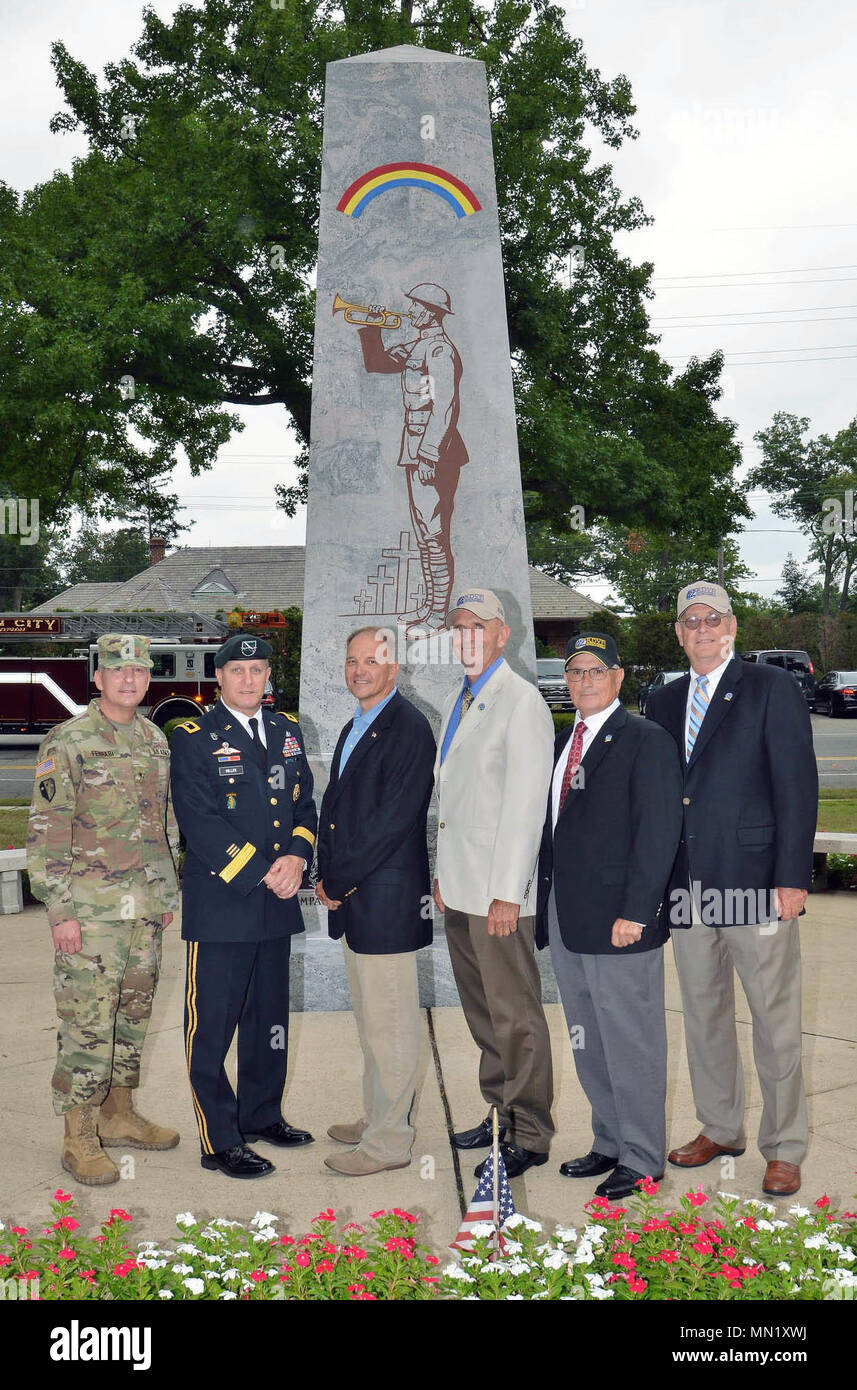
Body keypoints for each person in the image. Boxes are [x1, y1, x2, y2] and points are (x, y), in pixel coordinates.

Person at [647, 581, 818, 1197]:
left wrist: (792, 877)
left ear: (733, 625)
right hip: (689, 890)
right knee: (704, 1015)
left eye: (712, 618)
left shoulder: (771, 688)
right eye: (690, 620)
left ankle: (784, 1146)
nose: (702, 628)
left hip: (757, 887)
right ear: (678, 632)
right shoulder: (663, 702)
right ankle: (720, 1126)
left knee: (775, 1022)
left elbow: (797, 786)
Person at [27, 633, 180, 1186]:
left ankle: (119, 1115)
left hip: (143, 909)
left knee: (132, 1018)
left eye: (138, 671)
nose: (129, 679)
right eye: (118, 671)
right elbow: (46, 831)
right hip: (89, 914)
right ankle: (79, 1137)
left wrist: (163, 894)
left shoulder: (153, 739)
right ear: (98, 679)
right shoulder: (68, 741)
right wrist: (60, 910)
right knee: (88, 1024)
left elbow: (163, 824)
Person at [536, 633, 683, 1199]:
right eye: (575, 672)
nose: (585, 680)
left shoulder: (644, 739)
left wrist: (639, 912)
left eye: (597, 671)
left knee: (632, 1040)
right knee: (589, 1038)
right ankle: (609, 1140)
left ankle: (643, 1157)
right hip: (567, 915)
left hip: (621, 920)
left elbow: (658, 832)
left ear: (619, 678)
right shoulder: (561, 740)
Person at [169, 632, 317, 1180]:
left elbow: (304, 803)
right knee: (211, 1027)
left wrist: (298, 858)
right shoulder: (193, 735)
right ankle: (220, 1138)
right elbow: (199, 821)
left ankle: (261, 1114)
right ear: (220, 677)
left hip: (277, 902)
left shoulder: (287, 731)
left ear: (267, 678)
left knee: (267, 1019)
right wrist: (261, 872)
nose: (249, 679)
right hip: (225, 902)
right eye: (238, 670)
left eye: (258, 670)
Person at [434, 588, 555, 1179]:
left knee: (516, 1016)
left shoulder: (521, 701)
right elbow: (456, 801)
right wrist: (442, 872)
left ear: (502, 635)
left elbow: (527, 805)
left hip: (499, 895)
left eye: (478, 627)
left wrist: (509, 890)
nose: (467, 636)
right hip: (460, 888)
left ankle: (530, 1131)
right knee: (483, 1012)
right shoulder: (461, 697)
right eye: (458, 627)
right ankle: (499, 1109)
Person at [316, 627, 436, 1175]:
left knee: (391, 1027)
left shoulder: (407, 728)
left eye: (371, 661)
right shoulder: (357, 723)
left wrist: (337, 879)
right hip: (355, 896)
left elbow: (392, 823)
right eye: (351, 660)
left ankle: (389, 1143)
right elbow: (337, 808)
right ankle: (377, 1115)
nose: (359, 669)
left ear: (394, 669)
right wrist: (327, 872)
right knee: (371, 1022)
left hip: (384, 900)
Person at [357, 283, 468, 628]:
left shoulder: (437, 349)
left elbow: (445, 404)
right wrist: (372, 326)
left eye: (415, 306)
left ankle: (438, 615)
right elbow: (377, 364)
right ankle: (429, 607)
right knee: (424, 533)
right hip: (415, 443)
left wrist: (429, 454)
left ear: (430, 310)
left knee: (434, 534)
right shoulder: (420, 345)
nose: (409, 311)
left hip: (435, 450)